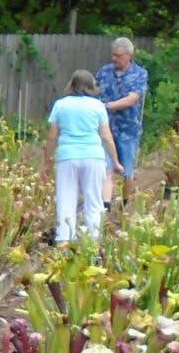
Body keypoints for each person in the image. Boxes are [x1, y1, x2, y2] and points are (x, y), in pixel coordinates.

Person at [46, 69, 122, 243]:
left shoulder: (61, 104)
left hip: (67, 157)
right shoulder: (98, 106)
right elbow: (106, 137)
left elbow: (52, 137)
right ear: (91, 86)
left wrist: (46, 161)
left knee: (66, 199)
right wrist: (116, 162)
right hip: (93, 157)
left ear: (72, 85)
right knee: (94, 200)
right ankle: (94, 241)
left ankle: (64, 240)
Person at [97, 37, 149, 194]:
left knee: (127, 173)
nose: (114, 59)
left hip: (128, 130)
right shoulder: (104, 71)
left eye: (118, 56)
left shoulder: (139, 74)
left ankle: (125, 206)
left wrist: (106, 106)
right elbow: (94, 92)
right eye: (113, 55)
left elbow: (132, 99)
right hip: (105, 129)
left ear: (129, 56)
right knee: (106, 169)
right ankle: (106, 207)